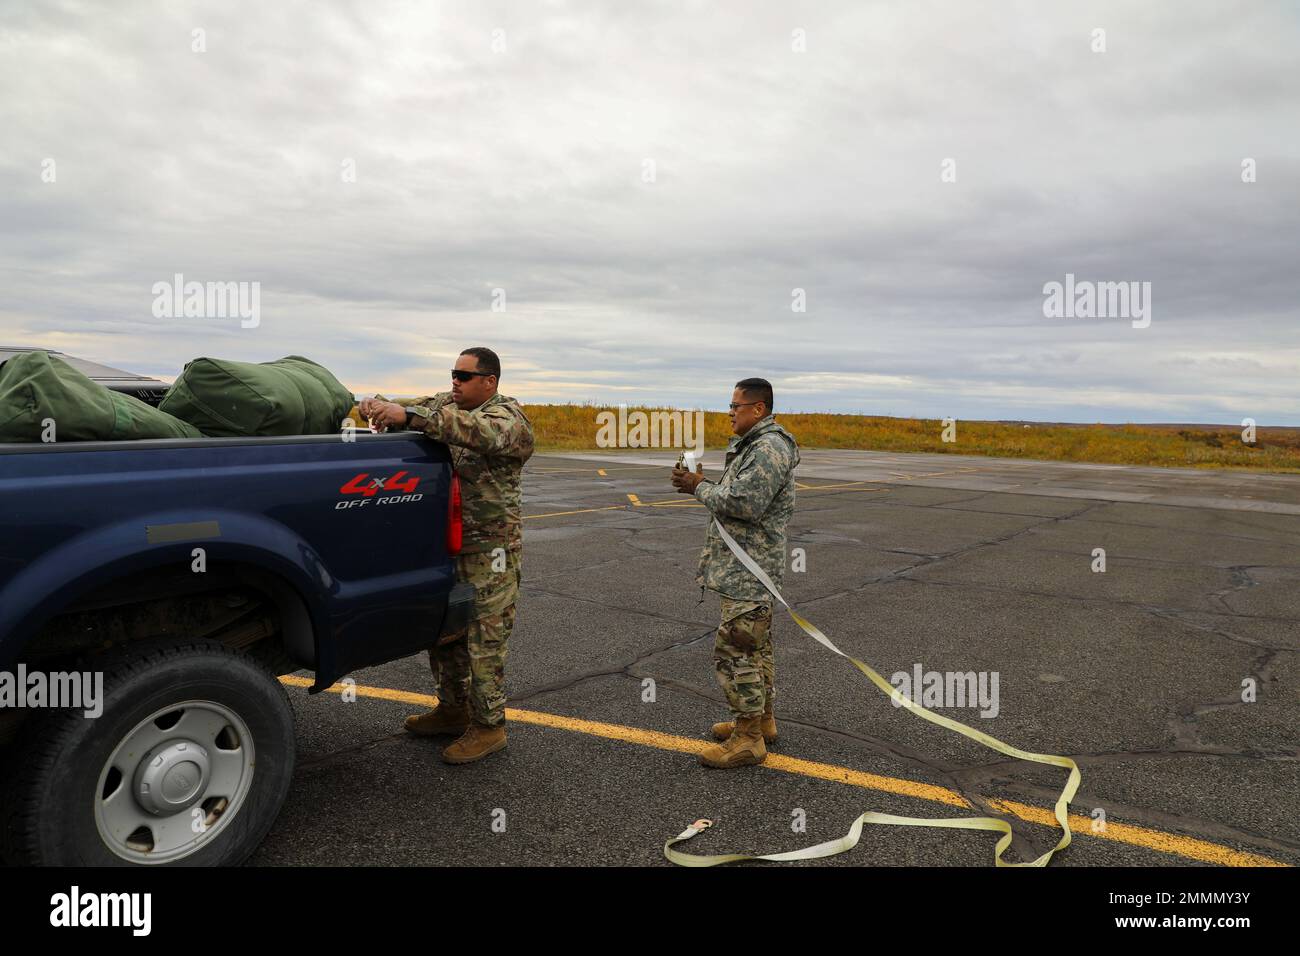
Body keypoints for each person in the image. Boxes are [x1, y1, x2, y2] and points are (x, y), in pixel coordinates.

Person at [361, 347, 533, 764]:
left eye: (464, 375)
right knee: (446, 634)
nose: (454, 381)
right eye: (452, 374)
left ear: (489, 382)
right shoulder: (445, 402)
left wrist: (410, 417)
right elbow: (414, 407)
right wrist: (378, 404)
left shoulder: (509, 419)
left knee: (484, 640)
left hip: (491, 551)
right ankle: (453, 709)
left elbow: (474, 432)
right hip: (448, 546)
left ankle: (489, 727)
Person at [672, 378, 799, 768]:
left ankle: (748, 739)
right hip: (744, 569)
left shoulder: (768, 448)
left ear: (758, 409)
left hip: (750, 572)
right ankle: (761, 720)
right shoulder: (753, 447)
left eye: (736, 406)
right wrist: (703, 484)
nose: (730, 412)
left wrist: (698, 486)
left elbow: (744, 503)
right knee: (755, 647)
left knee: (737, 649)